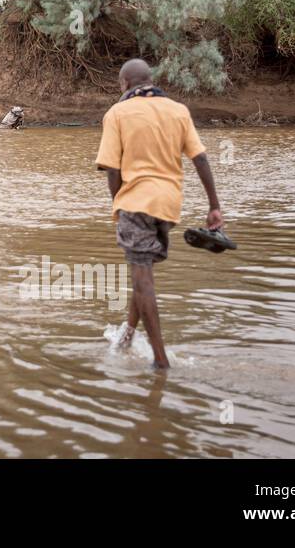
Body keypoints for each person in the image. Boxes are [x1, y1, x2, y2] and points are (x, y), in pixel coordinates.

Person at [96, 59, 223, 370]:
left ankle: (160, 362)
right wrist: (214, 206)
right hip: (168, 207)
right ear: (149, 80)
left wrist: (118, 202)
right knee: (143, 276)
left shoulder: (117, 113)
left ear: (124, 83)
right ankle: (125, 339)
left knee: (143, 281)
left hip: (135, 204)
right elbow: (201, 159)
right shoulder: (177, 110)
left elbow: (112, 168)